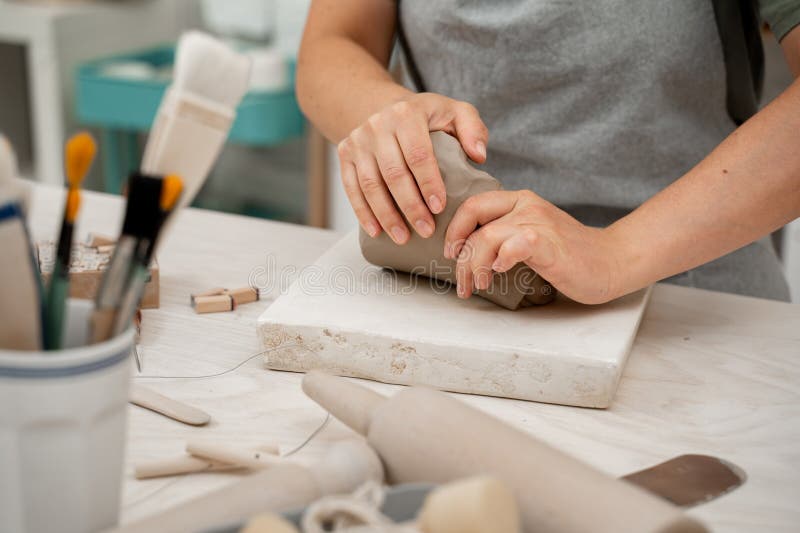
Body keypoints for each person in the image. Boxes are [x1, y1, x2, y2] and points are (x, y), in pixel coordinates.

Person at [296, 0, 800, 304]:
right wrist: (392, 116)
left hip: (695, 296)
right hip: (459, 285)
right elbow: (335, 42)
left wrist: (614, 253)